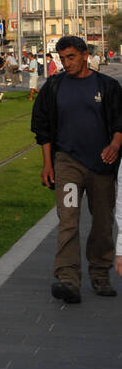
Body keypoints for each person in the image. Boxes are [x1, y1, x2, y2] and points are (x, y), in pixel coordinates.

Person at [31, 35, 122, 303]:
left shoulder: (107, 86)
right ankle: (68, 279)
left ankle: (100, 274)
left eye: (70, 57)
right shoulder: (54, 86)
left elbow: (120, 121)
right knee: (68, 219)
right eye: (61, 58)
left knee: (103, 222)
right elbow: (43, 127)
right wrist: (48, 164)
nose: (66, 63)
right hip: (68, 163)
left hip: (102, 166)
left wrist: (115, 145)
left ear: (84, 55)